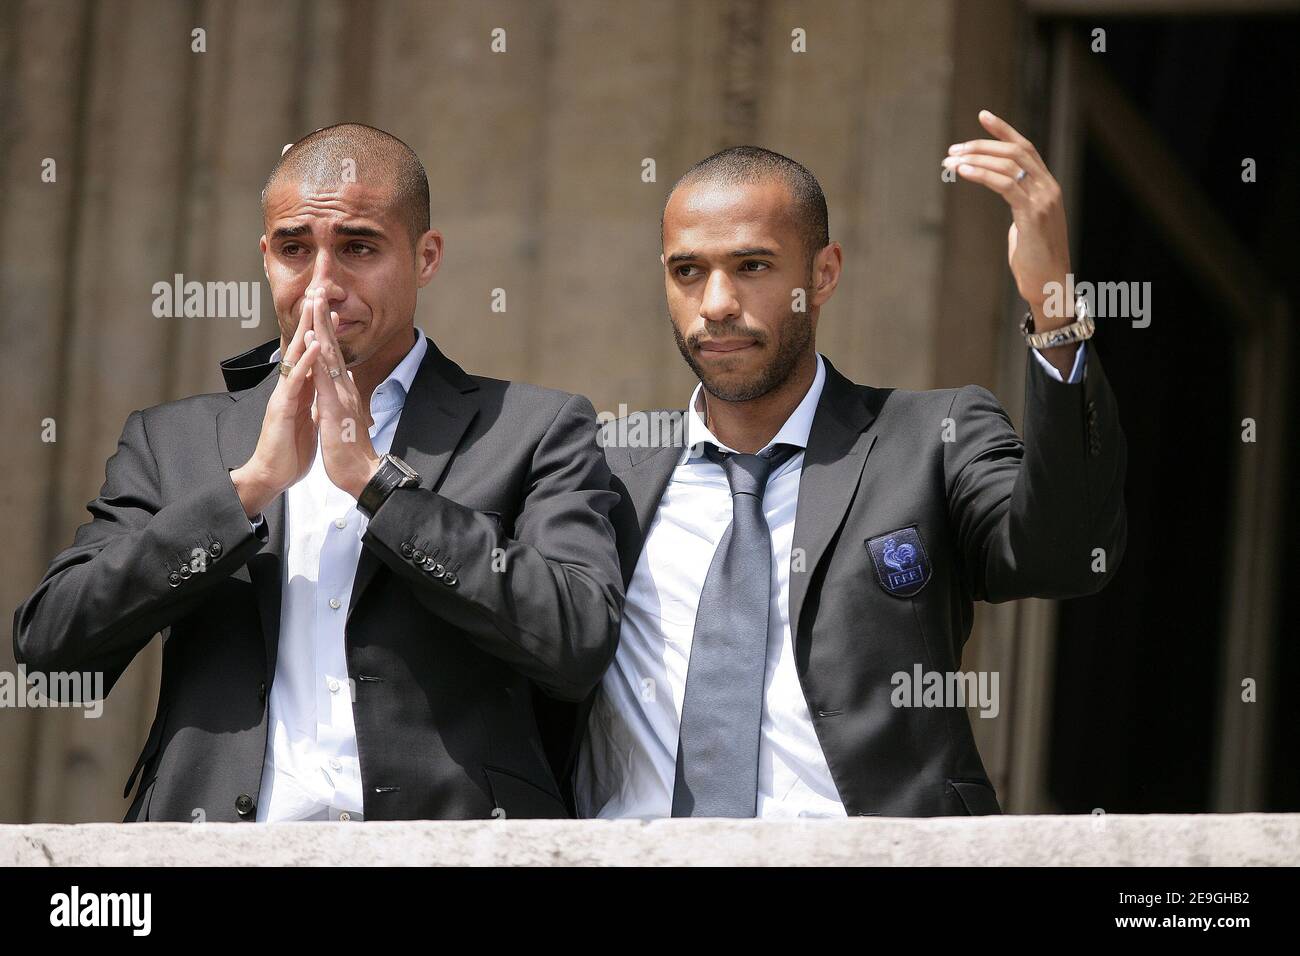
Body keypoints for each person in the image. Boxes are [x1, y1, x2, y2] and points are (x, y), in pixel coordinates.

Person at [14, 124, 624, 823]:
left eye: (359, 247)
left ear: (426, 257)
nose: (323, 285)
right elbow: (52, 650)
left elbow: (577, 640)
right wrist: (245, 491)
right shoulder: (172, 439)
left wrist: (377, 485)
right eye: (295, 249)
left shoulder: (534, 428)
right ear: (266, 256)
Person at [576, 113, 1127, 819]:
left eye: (752, 266)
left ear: (823, 273)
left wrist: (1052, 306)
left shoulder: (932, 438)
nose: (716, 305)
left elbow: (1071, 555)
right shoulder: (603, 471)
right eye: (689, 271)